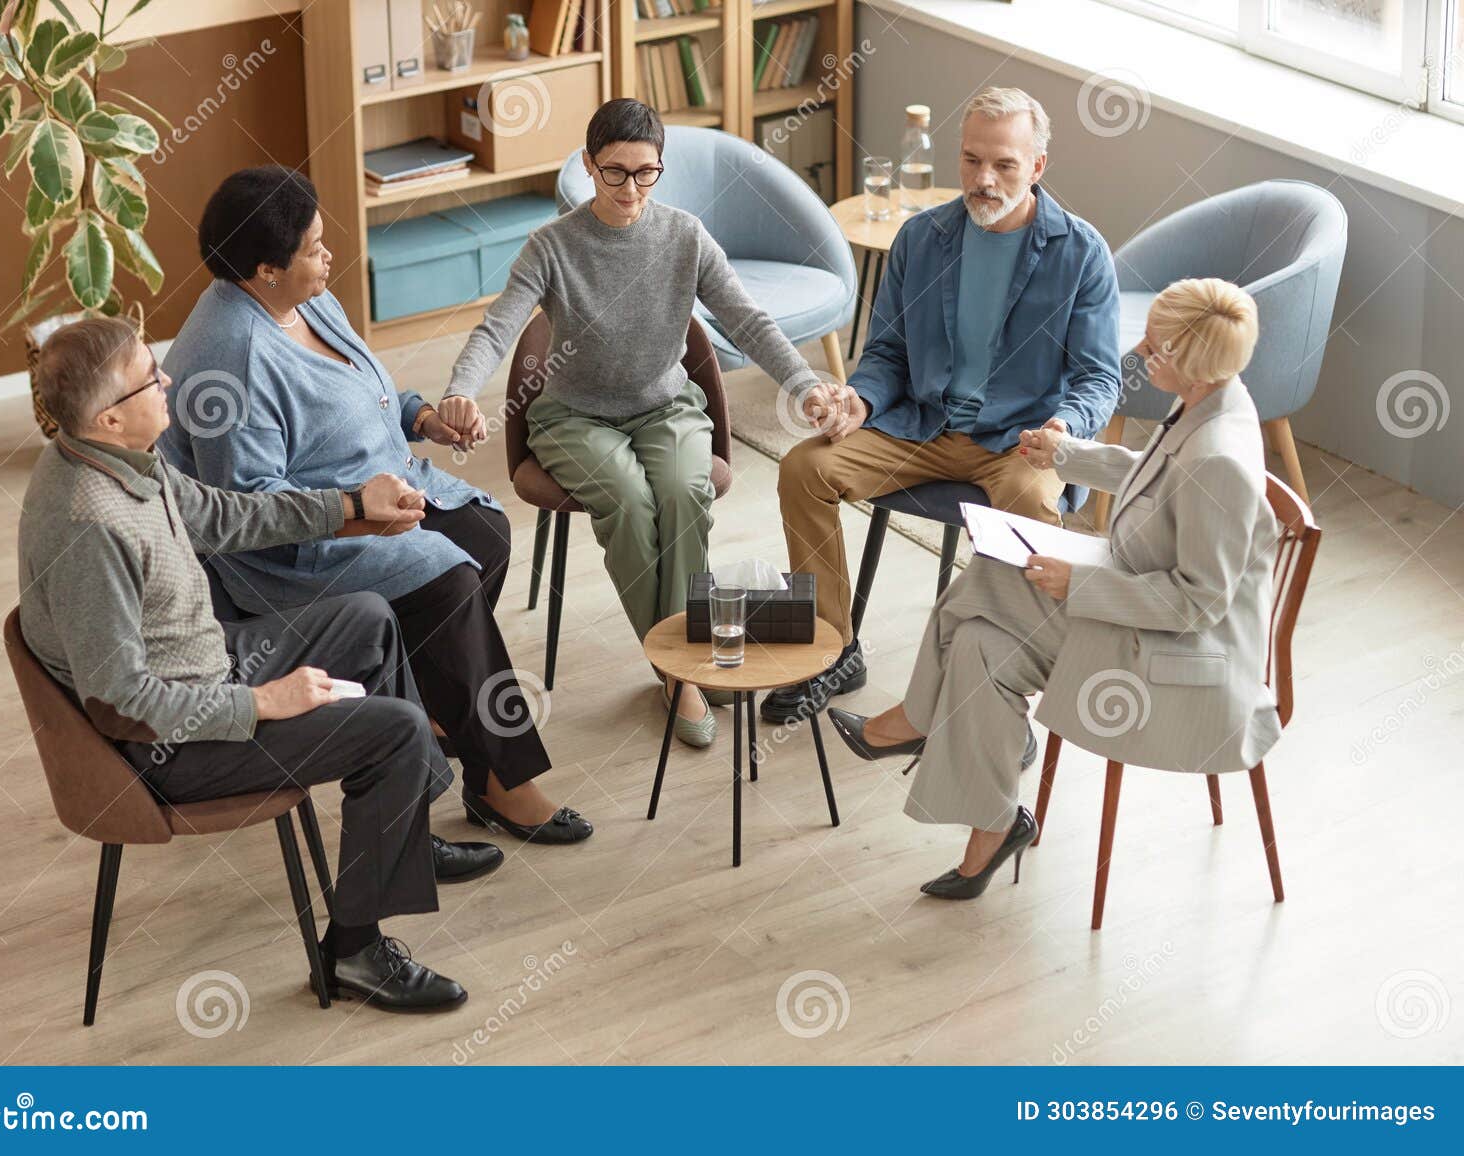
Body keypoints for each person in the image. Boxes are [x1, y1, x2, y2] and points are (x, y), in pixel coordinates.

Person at [18, 317, 505, 1010]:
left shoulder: (118, 457)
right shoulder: (89, 524)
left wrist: (349, 506)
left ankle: (405, 841)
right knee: (395, 729)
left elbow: (222, 517)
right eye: (151, 378)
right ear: (110, 416)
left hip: (204, 664)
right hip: (167, 744)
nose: (170, 382)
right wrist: (264, 703)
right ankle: (353, 955)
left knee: (369, 615)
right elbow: (118, 698)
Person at [159, 167, 591, 845]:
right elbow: (248, 512)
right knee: (448, 585)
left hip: (376, 487)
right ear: (266, 269)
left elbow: (363, 388)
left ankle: (437, 713)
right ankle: (501, 778)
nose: (328, 256)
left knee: (485, 533)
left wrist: (422, 418)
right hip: (297, 548)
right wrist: (356, 506)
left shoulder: (304, 298)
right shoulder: (230, 360)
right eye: (313, 248)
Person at [828, 279, 1283, 899]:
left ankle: (916, 719)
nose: (1143, 347)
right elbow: (1158, 473)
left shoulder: (1220, 459)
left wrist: (1080, 583)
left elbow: (1198, 603)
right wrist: (1067, 455)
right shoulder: (1212, 402)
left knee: (990, 575)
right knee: (981, 644)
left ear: (1192, 366)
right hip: (1136, 602)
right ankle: (992, 825)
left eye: (1157, 345)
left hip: (1179, 658)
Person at [437, 98, 827, 749]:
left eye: (646, 173)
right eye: (615, 172)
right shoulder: (553, 246)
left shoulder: (684, 235)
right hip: (572, 416)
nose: (630, 189)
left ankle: (681, 668)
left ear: (660, 169)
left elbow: (747, 319)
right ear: (589, 166)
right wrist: (458, 393)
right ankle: (685, 672)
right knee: (627, 497)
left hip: (665, 405)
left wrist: (805, 385)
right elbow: (496, 328)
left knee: (683, 491)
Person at [768, 86, 1121, 726]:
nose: (984, 180)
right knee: (803, 469)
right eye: (972, 160)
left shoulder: (1081, 253)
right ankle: (833, 653)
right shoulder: (922, 238)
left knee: (1034, 509)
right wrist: (861, 400)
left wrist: (1063, 428)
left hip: (1018, 442)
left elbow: (1099, 375)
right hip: (920, 427)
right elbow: (887, 353)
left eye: (1005, 165)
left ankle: (1007, 689)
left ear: (1037, 167)